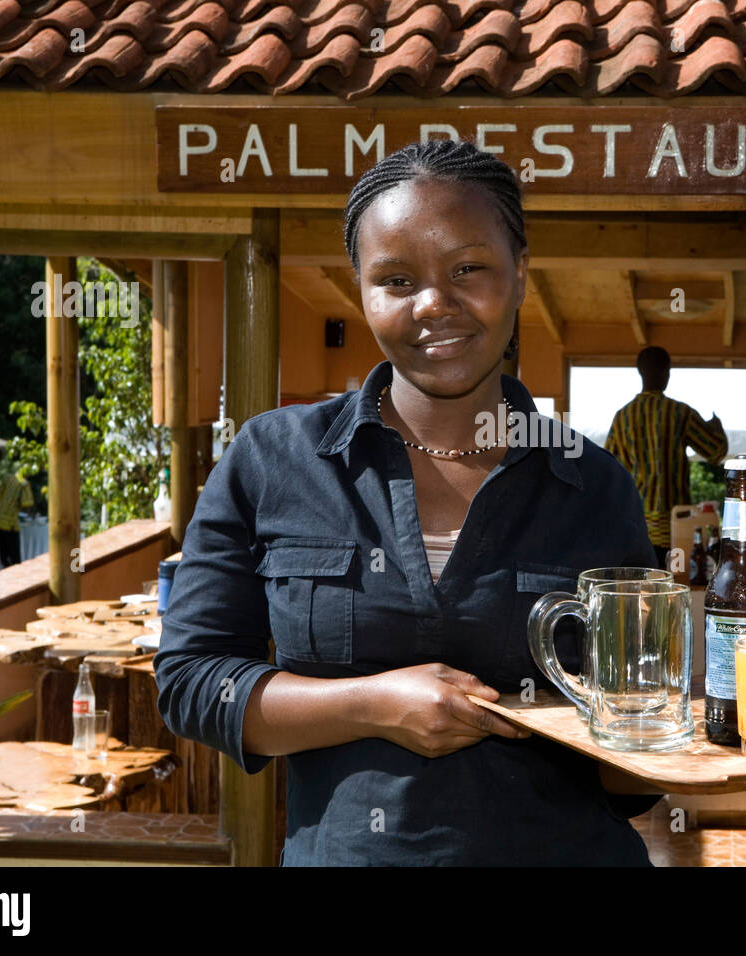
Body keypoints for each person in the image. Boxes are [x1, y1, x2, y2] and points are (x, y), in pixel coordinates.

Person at [155, 140, 659, 866]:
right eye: (396, 279)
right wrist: (374, 704)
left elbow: (631, 777)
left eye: (467, 269)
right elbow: (191, 682)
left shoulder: (594, 484)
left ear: (519, 274)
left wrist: (672, 715)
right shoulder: (272, 460)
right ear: (360, 291)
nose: (433, 304)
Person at [604, 347, 728, 568]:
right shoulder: (680, 413)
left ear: (640, 373)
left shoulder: (622, 418)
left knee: (645, 593)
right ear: (667, 373)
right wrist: (717, 427)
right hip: (677, 527)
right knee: (677, 586)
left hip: (638, 527)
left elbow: (610, 473)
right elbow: (716, 451)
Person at [0, 456, 33, 568]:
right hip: (10, 524)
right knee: (15, 557)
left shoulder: (7, 478)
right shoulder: (24, 484)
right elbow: (27, 504)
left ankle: (5, 577)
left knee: (3, 555)